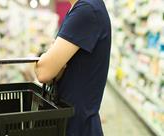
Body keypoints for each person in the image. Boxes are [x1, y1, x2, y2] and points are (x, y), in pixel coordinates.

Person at [35, 0, 111, 135]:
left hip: (77, 126)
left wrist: (51, 58)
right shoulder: (82, 8)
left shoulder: (86, 10)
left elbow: (43, 72)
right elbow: (53, 73)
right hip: (73, 121)